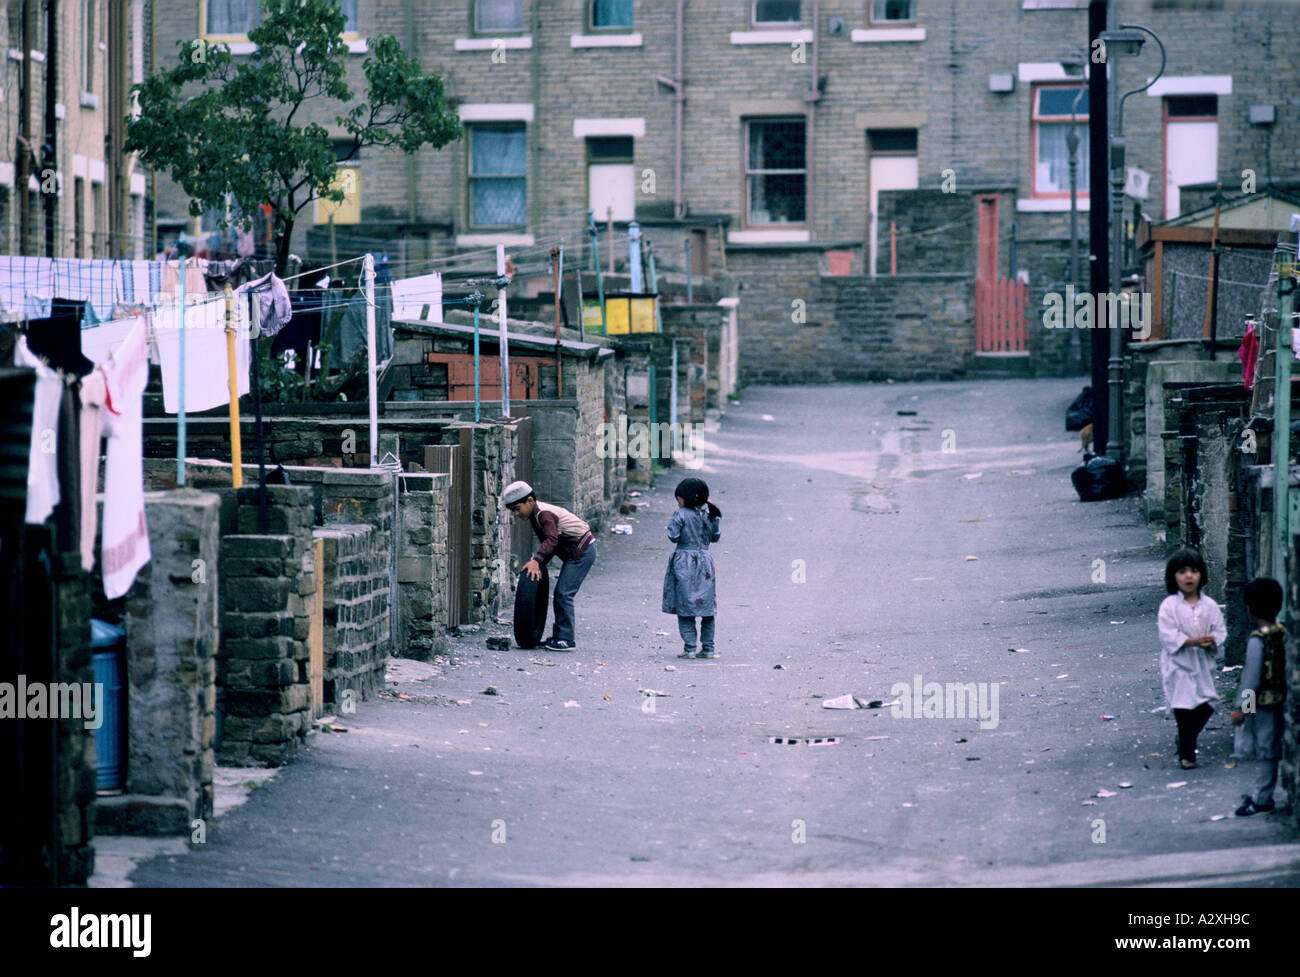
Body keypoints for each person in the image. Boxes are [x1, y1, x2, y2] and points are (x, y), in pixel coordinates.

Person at [502, 480, 595, 653]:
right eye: (512, 510)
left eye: (517, 509)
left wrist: (536, 561)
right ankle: (559, 635)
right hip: (573, 551)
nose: (515, 514)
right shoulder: (534, 516)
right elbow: (549, 543)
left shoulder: (544, 514)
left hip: (583, 551)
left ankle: (566, 639)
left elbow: (552, 540)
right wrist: (538, 564)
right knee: (561, 593)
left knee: (563, 593)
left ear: (530, 501)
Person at [1157, 548, 1227, 769]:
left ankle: (1185, 737)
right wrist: (1190, 642)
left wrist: (1212, 640)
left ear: (1201, 575)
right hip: (1178, 663)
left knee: (1207, 703)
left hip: (1202, 662)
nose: (1189, 576)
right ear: (1173, 577)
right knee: (1183, 706)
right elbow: (1167, 634)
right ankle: (1187, 755)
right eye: (1182, 572)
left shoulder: (1210, 606)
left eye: (1194, 571)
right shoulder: (1169, 606)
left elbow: (1220, 630)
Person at [1230, 577, 1286, 816]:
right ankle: (1261, 794)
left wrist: (1243, 709)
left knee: (1265, 750)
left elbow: (1252, 681)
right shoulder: (1282, 631)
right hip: (1283, 701)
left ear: (1250, 607)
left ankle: (1262, 798)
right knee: (1272, 748)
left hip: (1263, 705)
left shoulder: (1257, 641)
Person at [662, 477, 721, 660]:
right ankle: (709, 648)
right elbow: (715, 537)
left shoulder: (680, 515)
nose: (677, 502)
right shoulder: (711, 514)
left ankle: (690, 649)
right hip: (705, 562)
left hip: (684, 562)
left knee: (685, 606)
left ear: (685, 497)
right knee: (706, 608)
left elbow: (673, 536)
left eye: (678, 499)